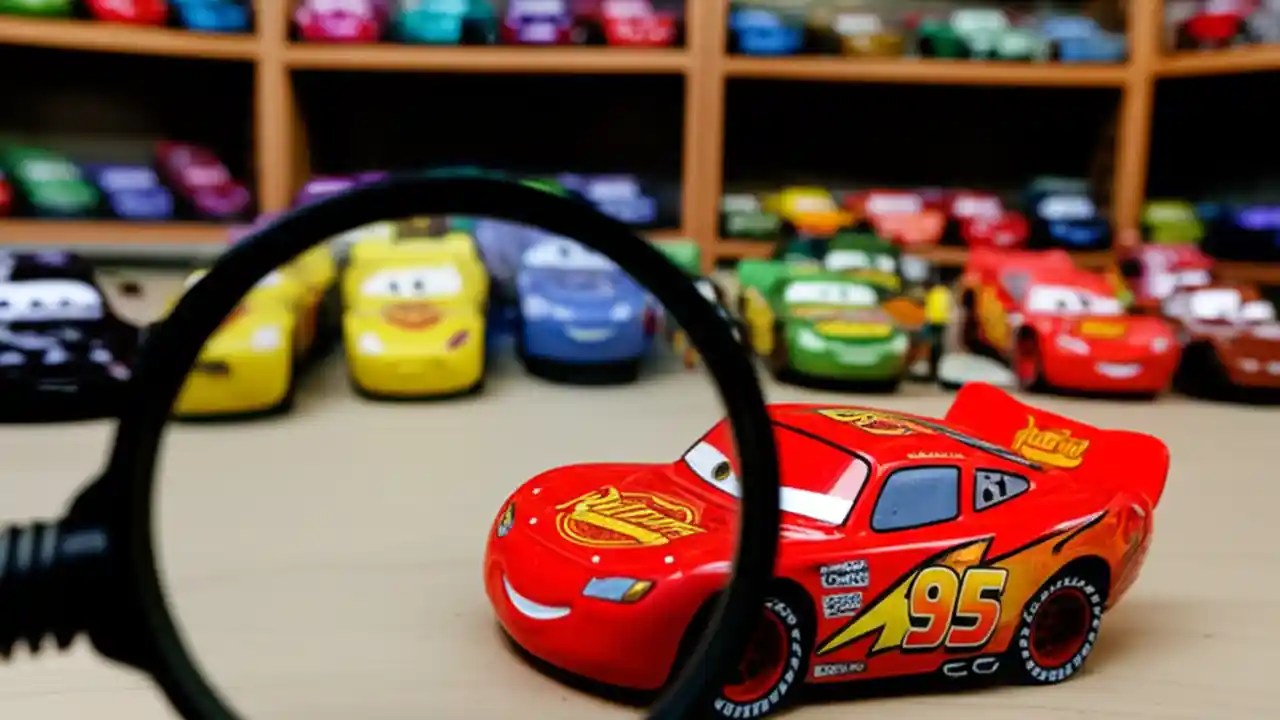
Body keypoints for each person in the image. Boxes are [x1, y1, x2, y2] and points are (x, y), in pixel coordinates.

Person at [923, 271, 952, 380]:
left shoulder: (933, 292)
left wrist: (927, 318)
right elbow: (948, 306)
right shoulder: (946, 292)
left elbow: (928, 306)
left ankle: (933, 369)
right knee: (939, 345)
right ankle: (937, 368)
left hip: (933, 321)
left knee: (933, 345)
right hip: (942, 321)